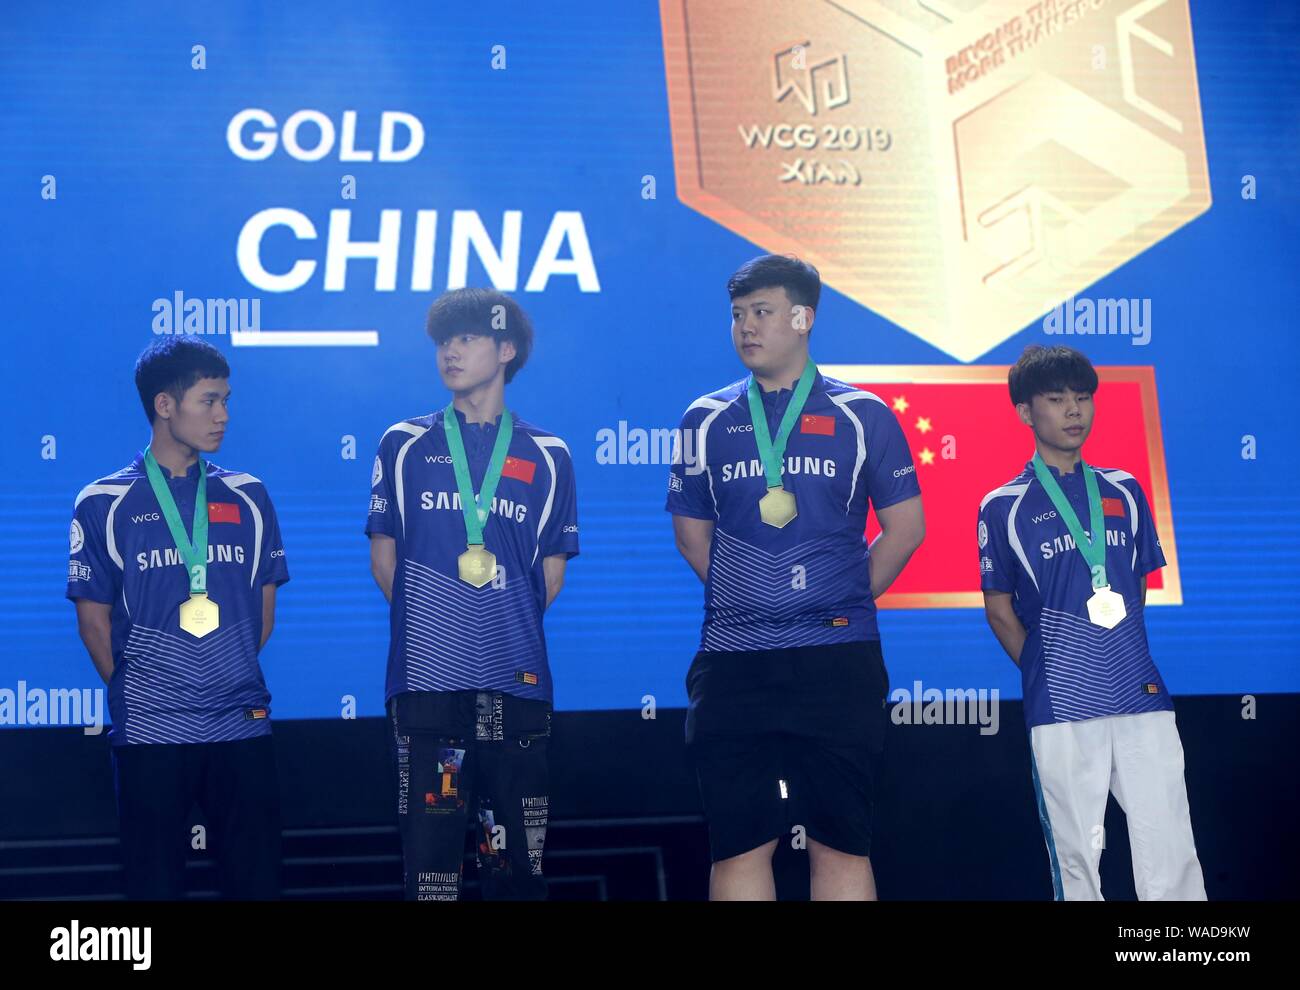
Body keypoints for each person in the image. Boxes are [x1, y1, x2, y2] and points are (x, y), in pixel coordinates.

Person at [666, 254, 925, 900]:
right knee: (739, 844)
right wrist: (750, 597)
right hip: (734, 661)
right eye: (737, 315)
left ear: (803, 318)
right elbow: (693, 535)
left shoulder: (863, 415)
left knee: (841, 843)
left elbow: (906, 528)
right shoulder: (706, 419)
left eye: (762, 312)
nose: (746, 327)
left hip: (837, 659)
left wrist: (841, 596)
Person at [367, 287, 579, 901]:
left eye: (466, 338)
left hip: (517, 686)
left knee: (516, 870)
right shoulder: (402, 445)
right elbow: (386, 564)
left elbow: (551, 575)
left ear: (506, 349)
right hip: (427, 690)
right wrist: (445, 633)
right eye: (442, 342)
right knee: (431, 875)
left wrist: (491, 633)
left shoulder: (549, 454)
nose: (450, 353)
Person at [978, 344, 1206, 900]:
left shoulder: (1125, 490)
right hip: (1061, 704)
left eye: (1082, 398)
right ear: (1027, 412)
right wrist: (1052, 666)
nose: (1074, 411)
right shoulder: (1001, 506)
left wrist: (1112, 656)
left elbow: (1138, 586)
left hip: (1140, 694)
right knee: (1078, 855)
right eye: (1057, 400)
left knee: (1170, 840)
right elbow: (999, 609)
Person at [66, 336, 289, 899]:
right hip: (149, 732)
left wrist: (217, 676)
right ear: (165, 405)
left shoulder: (249, 496)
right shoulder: (103, 501)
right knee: (153, 892)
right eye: (209, 401)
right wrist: (148, 693)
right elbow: (93, 623)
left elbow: (262, 616)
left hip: (241, 723)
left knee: (256, 887)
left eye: (226, 400)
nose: (223, 416)